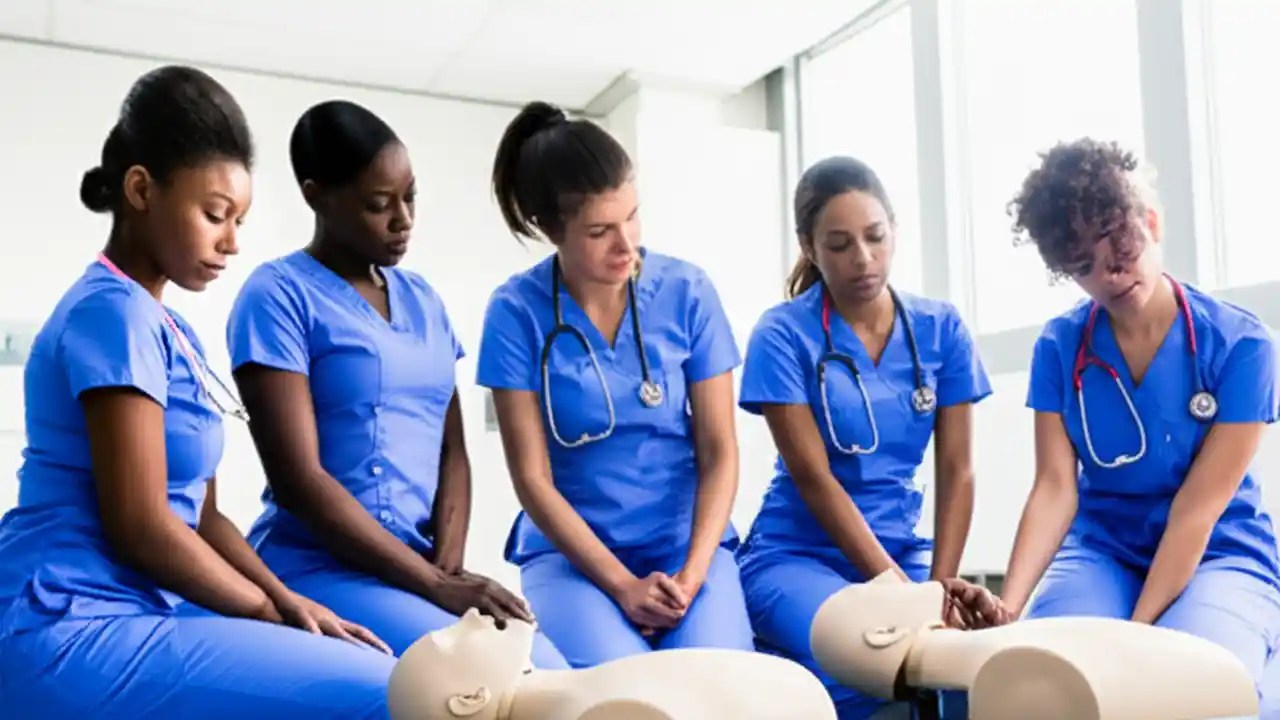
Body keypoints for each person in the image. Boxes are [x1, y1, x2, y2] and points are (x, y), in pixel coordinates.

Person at [0, 66, 396, 719]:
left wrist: (287, 600)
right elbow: (143, 524)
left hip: (137, 610)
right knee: (385, 694)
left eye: (239, 219)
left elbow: (202, 518)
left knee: (362, 665)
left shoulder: (170, 327)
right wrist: (267, 610)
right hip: (67, 623)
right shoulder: (112, 314)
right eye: (215, 215)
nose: (232, 243)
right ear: (140, 190)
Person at [224, 99, 567, 667]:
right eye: (378, 204)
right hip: (320, 569)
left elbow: (452, 448)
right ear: (316, 195)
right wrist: (433, 587)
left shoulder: (424, 300)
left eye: (410, 197)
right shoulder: (278, 296)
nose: (403, 219)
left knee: (551, 669)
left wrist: (446, 572)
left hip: (417, 571)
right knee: (499, 679)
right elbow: (299, 480)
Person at [999, 138, 1280, 712]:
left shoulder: (1243, 346)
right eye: (1083, 267)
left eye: (1119, 248)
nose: (1110, 275)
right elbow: (1055, 488)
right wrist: (1008, 609)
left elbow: (1196, 511)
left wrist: (1137, 632)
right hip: (1104, 549)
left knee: (1191, 687)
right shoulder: (1060, 346)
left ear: (1149, 221)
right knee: (1045, 683)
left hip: (1217, 551)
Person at [474, 100, 754, 669]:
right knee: (623, 694)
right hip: (574, 561)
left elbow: (720, 449)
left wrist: (694, 571)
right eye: (601, 231)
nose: (626, 245)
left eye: (632, 217)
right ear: (548, 229)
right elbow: (532, 478)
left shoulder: (687, 292)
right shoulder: (515, 313)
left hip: (687, 546)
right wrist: (623, 585)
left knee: (722, 689)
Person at [734, 156, 997, 719]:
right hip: (795, 554)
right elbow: (814, 478)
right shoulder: (782, 335)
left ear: (894, 230)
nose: (864, 258)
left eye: (876, 237)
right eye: (840, 244)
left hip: (901, 549)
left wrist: (941, 585)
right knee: (878, 653)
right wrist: (901, 594)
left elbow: (958, 470)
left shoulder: (941, 328)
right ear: (809, 247)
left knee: (976, 656)